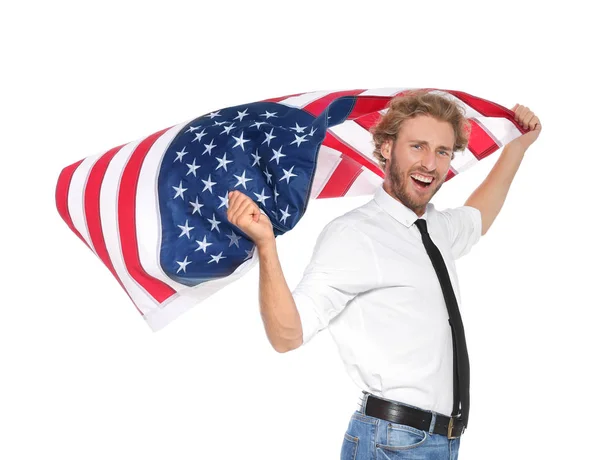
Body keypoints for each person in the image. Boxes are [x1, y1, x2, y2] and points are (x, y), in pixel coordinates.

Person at [226, 90, 541, 459]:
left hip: (443, 443)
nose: (430, 163)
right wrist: (267, 247)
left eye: (442, 151)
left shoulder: (435, 228)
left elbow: (478, 216)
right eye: (418, 147)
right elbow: (286, 335)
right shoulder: (355, 235)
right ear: (387, 147)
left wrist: (517, 148)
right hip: (392, 443)